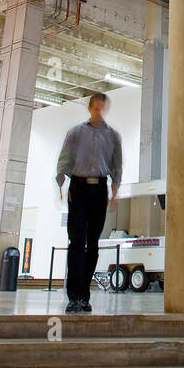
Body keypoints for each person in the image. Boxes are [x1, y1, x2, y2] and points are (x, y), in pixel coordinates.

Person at [56, 92, 122, 312]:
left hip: (99, 188)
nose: (100, 112)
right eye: (96, 108)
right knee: (77, 241)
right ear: (90, 108)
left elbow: (116, 166)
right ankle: (73, 295)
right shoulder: (76, 133)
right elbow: (65, 159)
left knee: (93, 243)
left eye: (103, 108)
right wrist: (62, 186)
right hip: (79, 186)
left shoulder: (113, 136)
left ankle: (84, 294)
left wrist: (114, 191)